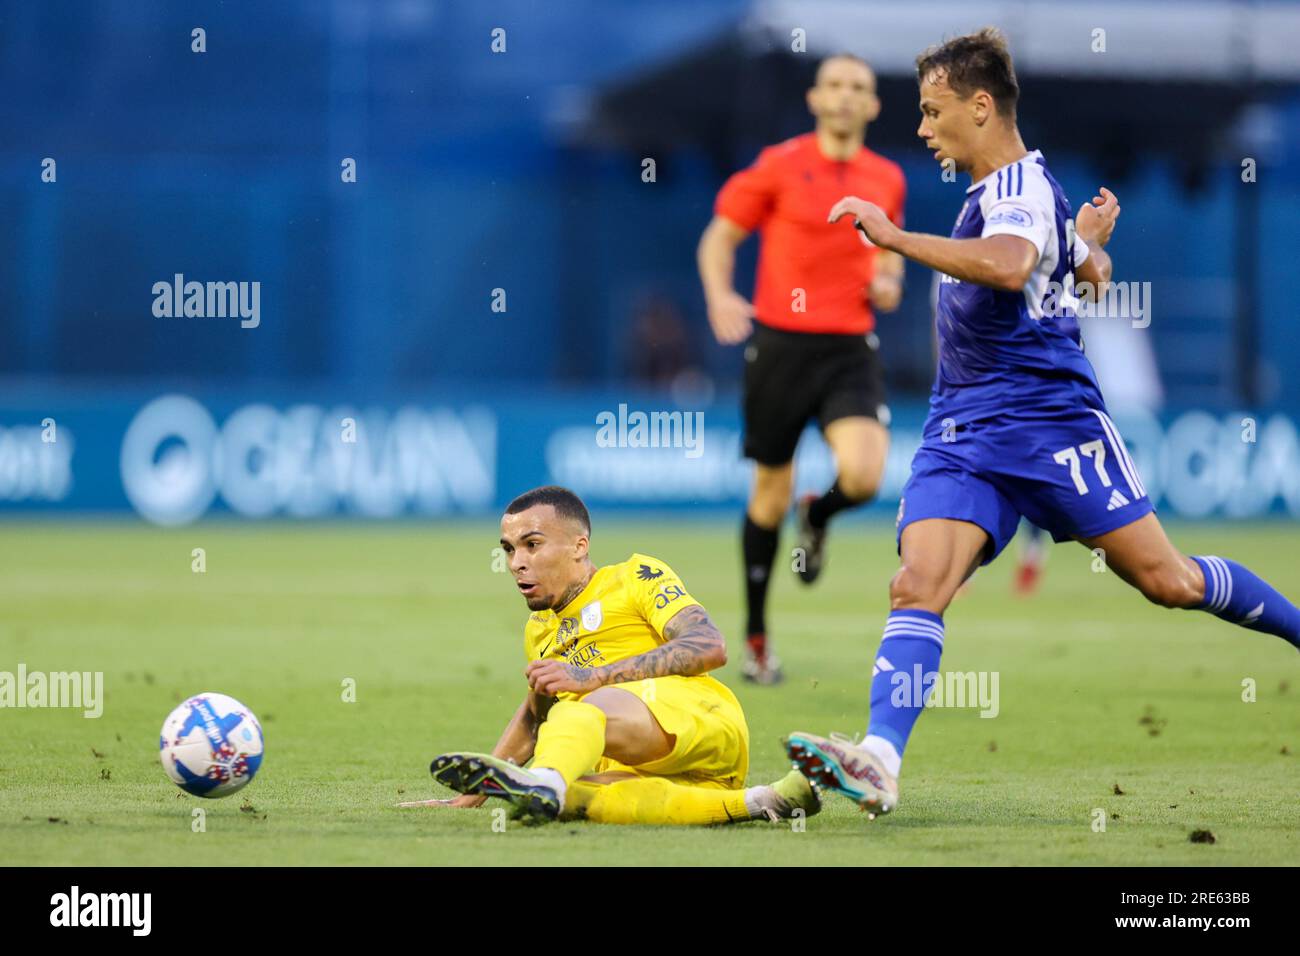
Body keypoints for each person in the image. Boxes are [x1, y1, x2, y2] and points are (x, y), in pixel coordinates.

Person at [784, 27, 1300, 817]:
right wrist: (1085, 251)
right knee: (916, 585)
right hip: (963, 429)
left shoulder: (1015, 192)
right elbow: (1077, 279)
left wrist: (894, 238)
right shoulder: (1009, 194)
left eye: (932, 110)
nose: (922, 128)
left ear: (980, 106)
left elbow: (1009, 265)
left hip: (1051, 426)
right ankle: (880, 760)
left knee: (1170, 581)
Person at [400, 485, 818, 825]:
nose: (516, 563)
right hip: (658, 771)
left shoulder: (635, 576)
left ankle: (545, 779)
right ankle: (764, 800)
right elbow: (533, 716)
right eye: (509, 549)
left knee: (577, 712)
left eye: (532, 544)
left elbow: (710, 646)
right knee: (576, 799)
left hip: (702, 725)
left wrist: (592, 677)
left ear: (579, 545)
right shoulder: (540, 630)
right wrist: (469, 800)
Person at [697, 53, 907, 684]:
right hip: (780, 345)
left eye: (859, 88)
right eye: (835, 85)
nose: (845, 97)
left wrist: (890, 281)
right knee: (768, 495)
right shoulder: (778, 165)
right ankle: (758, 641)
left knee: (866, 478)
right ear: (815, 98)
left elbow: (888, 260)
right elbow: (719, 236)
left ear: (872, 106)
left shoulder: (886, 177)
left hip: (848, 348)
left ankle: (817, 516)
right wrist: (719, 296)